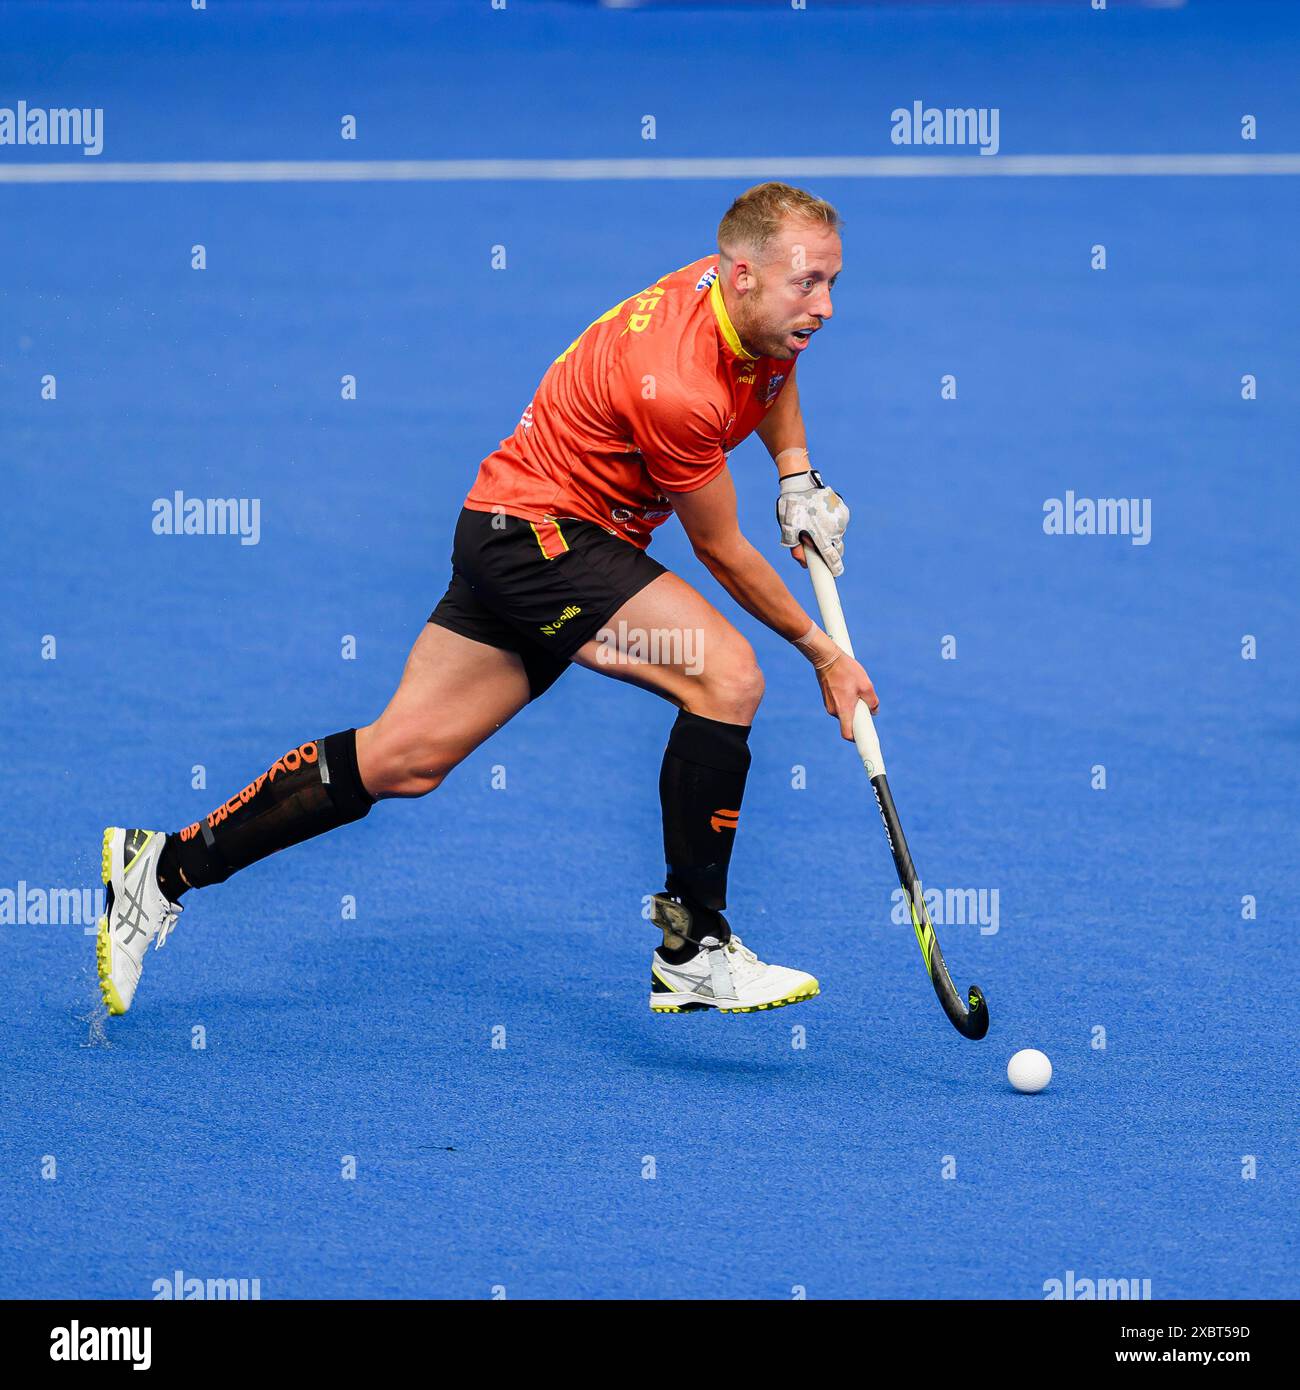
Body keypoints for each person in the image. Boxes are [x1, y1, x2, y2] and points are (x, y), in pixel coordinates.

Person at [96, 181, 878, 1019]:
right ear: (743, 273)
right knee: (725, 676)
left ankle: (161, 866)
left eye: (833, 281)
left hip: (512, 529)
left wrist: (796, 474)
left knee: (403, 758)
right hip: (545, 541)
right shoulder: (679, 382)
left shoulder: (743, 299)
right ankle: (694, 948)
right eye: (810, 285)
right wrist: (826, 654)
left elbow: (769, 367)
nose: (826, 306)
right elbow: (720, 550)